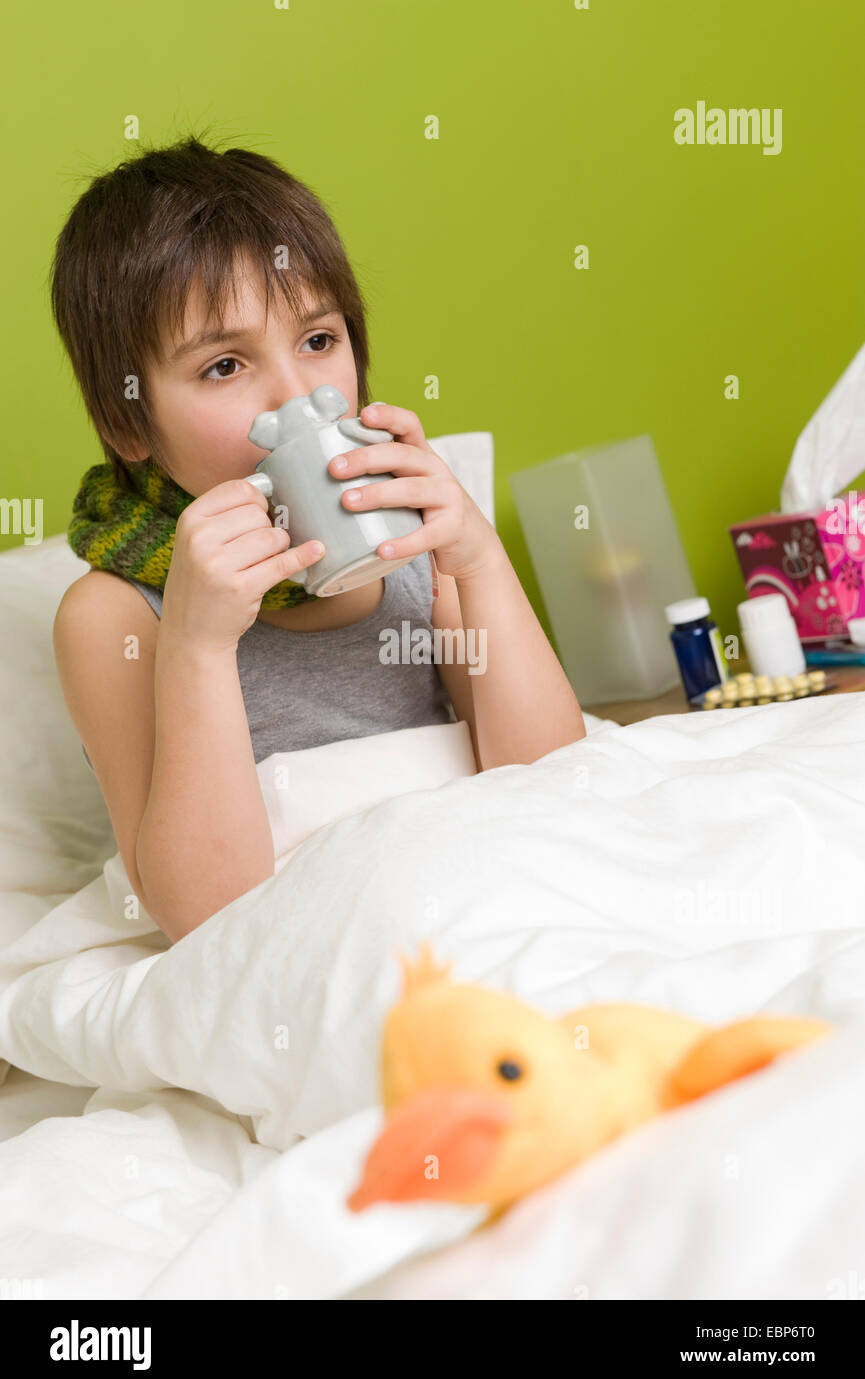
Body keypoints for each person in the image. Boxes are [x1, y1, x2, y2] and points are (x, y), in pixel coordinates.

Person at [51, 133, 585, 943]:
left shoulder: (413, 549)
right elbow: (204, 916)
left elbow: (555, 783)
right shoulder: (117, 617)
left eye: (318, 341)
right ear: (129, 420)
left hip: (488, 900)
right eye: (224, 366)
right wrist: (196, 643)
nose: (300, 399)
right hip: (315, 946)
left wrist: (475, 558)